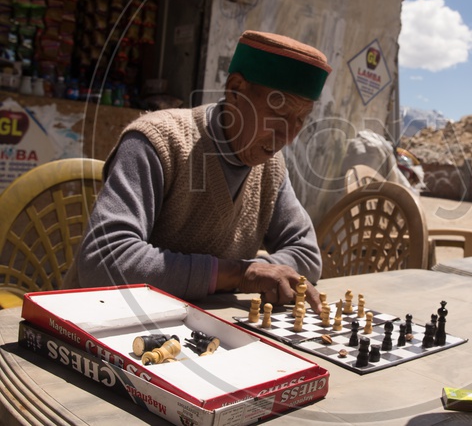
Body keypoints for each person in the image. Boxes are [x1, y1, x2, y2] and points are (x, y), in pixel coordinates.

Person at [63, 30, 332, 313]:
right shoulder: (157, 141)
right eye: (278, 114)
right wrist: (240, 275)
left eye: (300, 119)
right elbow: (105, 262)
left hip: (189, 333)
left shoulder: (270, 167)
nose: (288, 136)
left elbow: (307, 255)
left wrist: (257, 271)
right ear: (236, 89)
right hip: (94, 325)